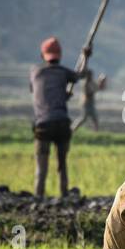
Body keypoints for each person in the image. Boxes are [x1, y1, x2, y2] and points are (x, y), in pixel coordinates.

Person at [28, 37, 82, 198]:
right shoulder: (63, 72)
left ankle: (38, 197)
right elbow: (79, 76)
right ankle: (64, 195)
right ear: (60, 55)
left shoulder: (35, 72)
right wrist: (85, 56)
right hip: (61, 124)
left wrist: (62, 96)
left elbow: (41, 95)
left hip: (43, 124)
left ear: (42, 55)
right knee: (62, 164)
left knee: (41, 168)